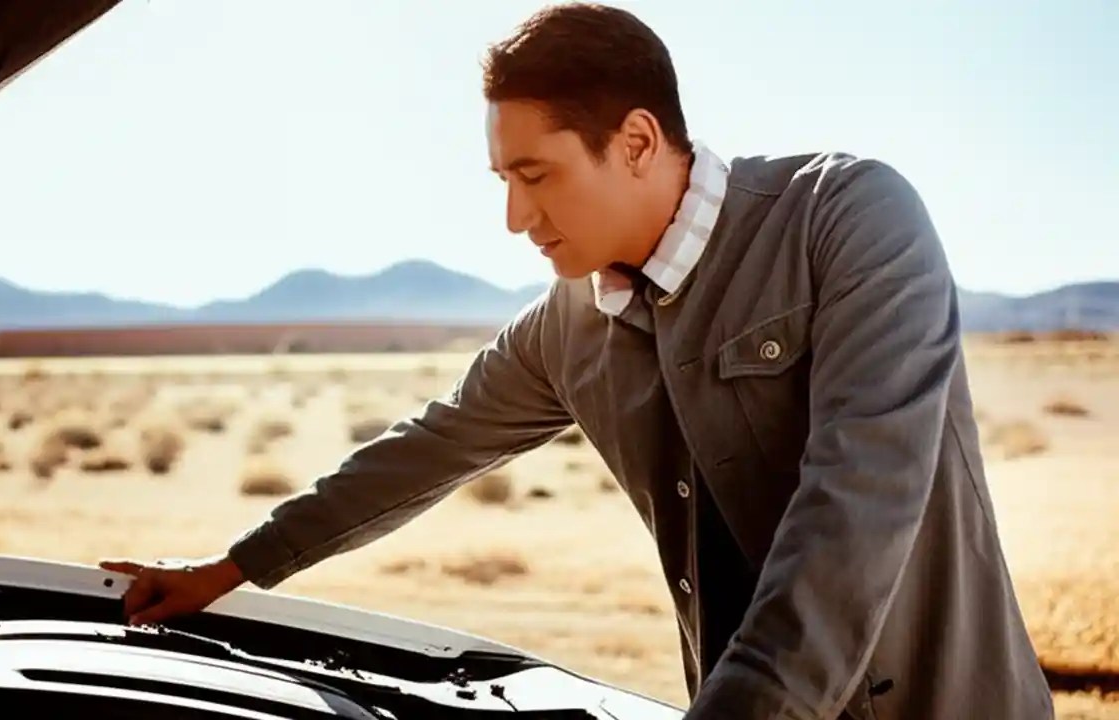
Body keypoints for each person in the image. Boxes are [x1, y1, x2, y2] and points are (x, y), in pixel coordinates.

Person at [99, 3, 1054, 718]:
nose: (515, 218)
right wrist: (231, 568)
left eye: (536, 175)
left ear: (636, 141)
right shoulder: (567, 326)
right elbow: (424, 449)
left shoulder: (847, 218)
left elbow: (857, 501)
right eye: (503, 179)